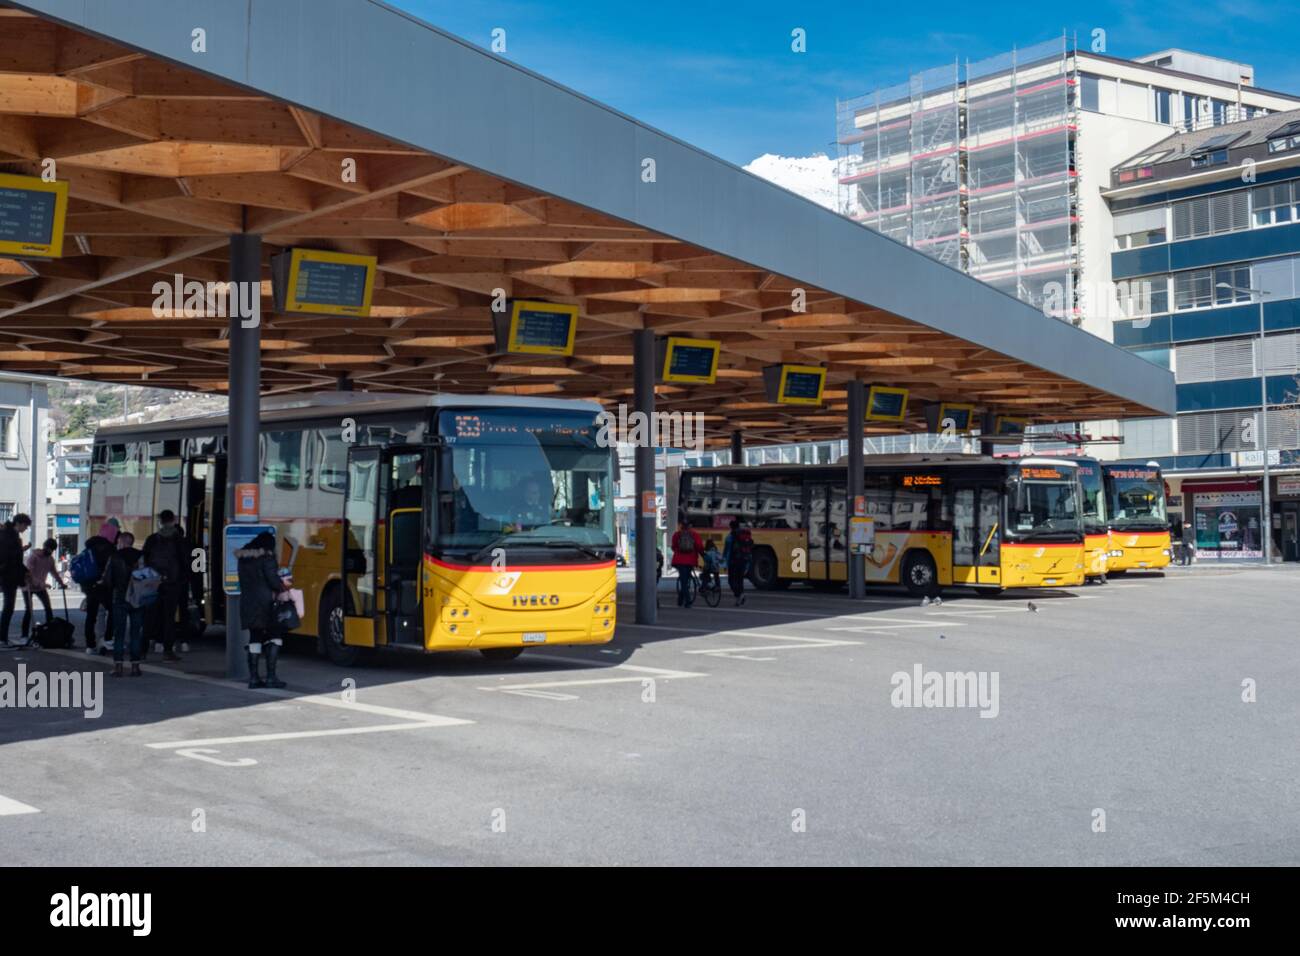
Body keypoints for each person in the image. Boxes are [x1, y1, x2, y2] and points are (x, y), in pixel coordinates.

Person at [236, 531, 289, 689]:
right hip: (267, 604)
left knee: (255, 638)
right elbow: (272, 580)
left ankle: (253, 678)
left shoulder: (243, 558)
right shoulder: (268, 557)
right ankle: (271, 677)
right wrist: (283, 587)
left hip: (248, 603)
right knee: (275, 637)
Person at [142, 510, 189, 662]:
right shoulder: (179, 539)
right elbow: (185, 562)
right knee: (169, 618)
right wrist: (183, 580)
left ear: (160, 521)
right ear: (174, 520)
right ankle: (168, 652)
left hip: (154, 583)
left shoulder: (152, 539)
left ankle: (142, 651)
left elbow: (145, 560)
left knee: (150, 617)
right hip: (173, 584)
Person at [102, 532, 144, 677]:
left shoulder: (114, 557)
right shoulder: (141, 556)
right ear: (132, 542)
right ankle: (135, 667)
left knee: (119, 633)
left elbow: (107, 580)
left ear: (121, 541)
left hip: (120, 598)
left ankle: (118, 667)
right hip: (137, 599)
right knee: (135, 633)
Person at [79, 520, 118, 652]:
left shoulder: (89, 546)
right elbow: (111, 569)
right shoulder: (109, 548)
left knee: (91, 615)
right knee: (113, 610)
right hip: (103, 586)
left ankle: (90, 645)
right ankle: (107, 639)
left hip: (89, 586)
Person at [19, 538, 62, 646]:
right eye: (48, 549)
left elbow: (54, 572)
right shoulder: (33, 557)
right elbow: (29, 575)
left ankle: (50, 632)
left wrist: (61, 583)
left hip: (40, 587)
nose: (50, 551)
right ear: (45, 547)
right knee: (29, 610)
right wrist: (42, 584)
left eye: (52, 550)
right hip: (28, 586)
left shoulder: (50, 559)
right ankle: (24, 635)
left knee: (48, 608)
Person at [0, 513, 32, 646]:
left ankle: (3, 638)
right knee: (8, 607)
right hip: (7, 575)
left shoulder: (12, 535)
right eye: (25, 526)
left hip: (10, 574)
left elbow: (16, 558)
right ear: (18, 523)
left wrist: (25, 571)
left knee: (9, 607)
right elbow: (9, 557)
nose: (25, 529)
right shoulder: (7, 535)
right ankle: (2, 638)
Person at [669, 517, 703, 608]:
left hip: (679, 560)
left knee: (684, 581)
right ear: (689, 526)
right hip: (691, 560)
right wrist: (703, 555)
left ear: (681, 526)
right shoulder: (694, 535)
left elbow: (673, 547)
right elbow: (699, 547)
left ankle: (684, 600)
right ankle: (685, 600)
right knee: (685, 580)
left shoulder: (676, 535)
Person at [722, 518, 753, 606]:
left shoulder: (730, 536)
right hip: (744, 560)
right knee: (740, 580)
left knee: (731, 581)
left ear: (731, 527)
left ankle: (739, 595)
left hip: (733, 561)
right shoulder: (744, 535)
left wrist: (723, 560)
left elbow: (726, 551)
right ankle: (740, 597)